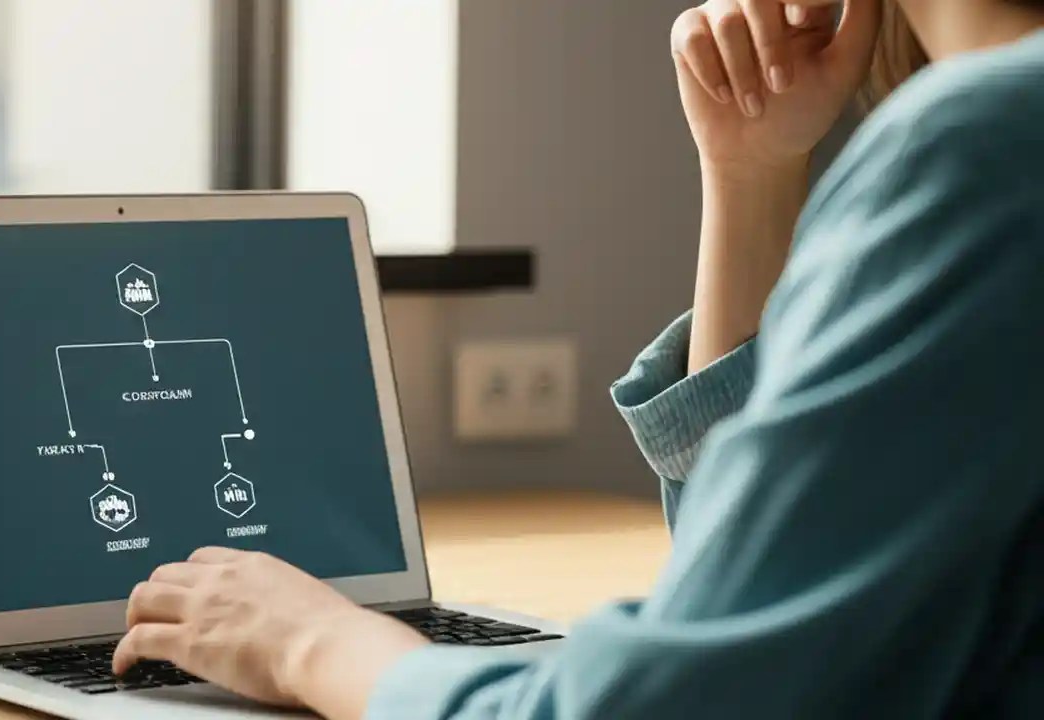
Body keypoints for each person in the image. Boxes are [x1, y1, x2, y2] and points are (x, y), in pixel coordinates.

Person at [110, 0, 1044, 716]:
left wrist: (309, 644)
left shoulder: (984, 145)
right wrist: (753, 172)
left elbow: (664, 705)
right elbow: (753, 594)